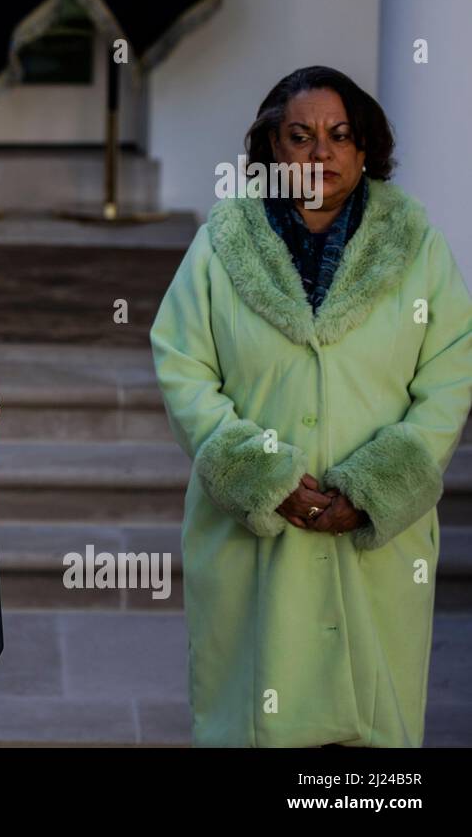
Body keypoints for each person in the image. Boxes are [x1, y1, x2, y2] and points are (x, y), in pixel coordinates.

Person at [150, 65, 472, 746]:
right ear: (272, 148)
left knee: (368, 742)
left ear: (365, 149)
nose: (320, 154)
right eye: (300, 136)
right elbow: (182, 364)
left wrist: (382, 485)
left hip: (373, 543)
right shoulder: (220, 243)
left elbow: (449, 374)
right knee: (250, 721)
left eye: (339, 135)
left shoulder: (417, 246)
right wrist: (258, 476)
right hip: (254, 540)